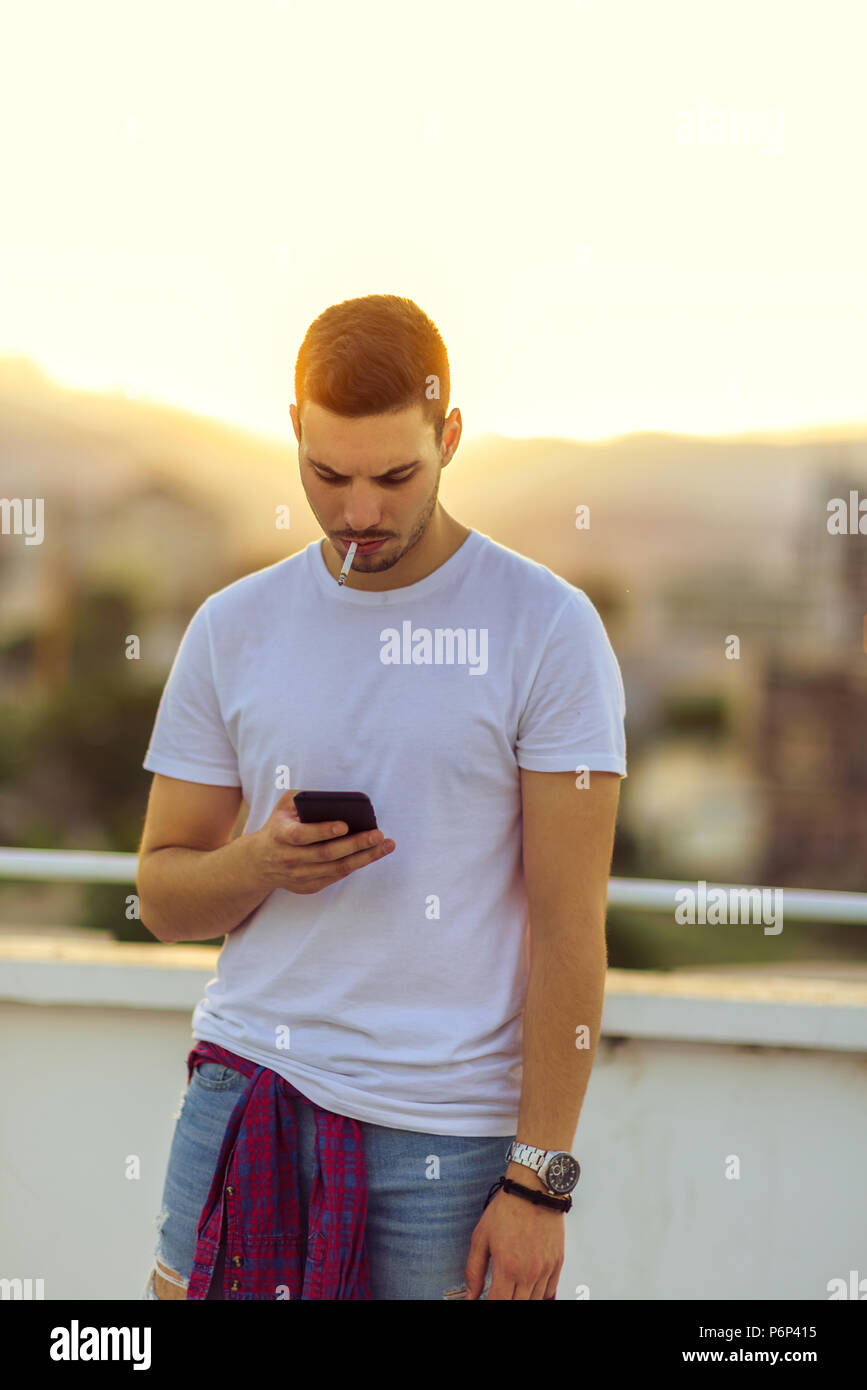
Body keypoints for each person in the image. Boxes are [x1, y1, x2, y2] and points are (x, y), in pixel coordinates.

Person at [137, 293, 626, 1300]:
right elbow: (163, 897)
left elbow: (571, 923)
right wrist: (260, 863)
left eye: (395, 475)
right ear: (294, 436)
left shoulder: (546, 628)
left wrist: (542, 1182)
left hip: (444, 1140)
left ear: (450, 437)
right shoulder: (234, 627)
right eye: (329, 475)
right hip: (245, 1095)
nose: (360, 510)